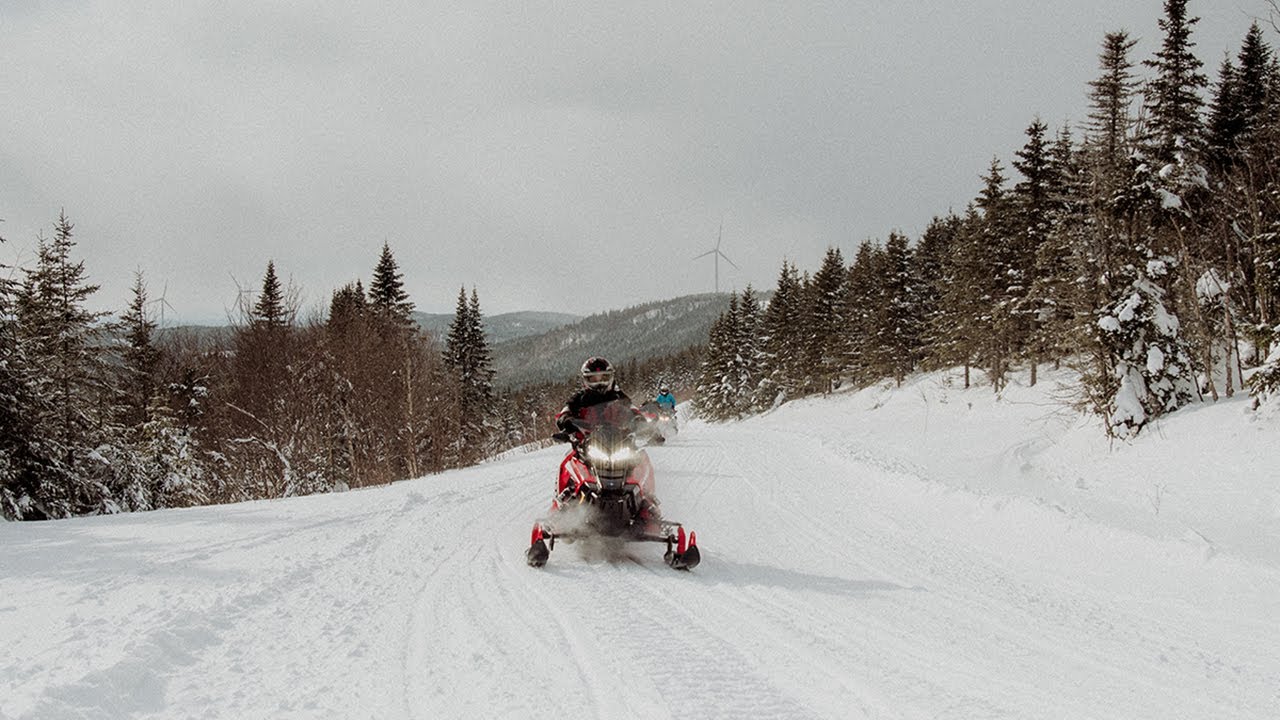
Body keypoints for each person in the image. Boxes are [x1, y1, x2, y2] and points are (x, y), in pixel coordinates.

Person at [553, 357, 660, 522]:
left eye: (603, 378)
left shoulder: (619, 397)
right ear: (586, 380)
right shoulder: (579, 399)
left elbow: (633, 411)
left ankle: (648, 505)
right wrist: (566, 421)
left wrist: (639, 421)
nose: (599, 383)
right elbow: (563, 413)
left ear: (610, 377)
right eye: (593, 379)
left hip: (619, 444)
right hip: (588, 445)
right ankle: (564, 504)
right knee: (569, 461)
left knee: (642, 460)